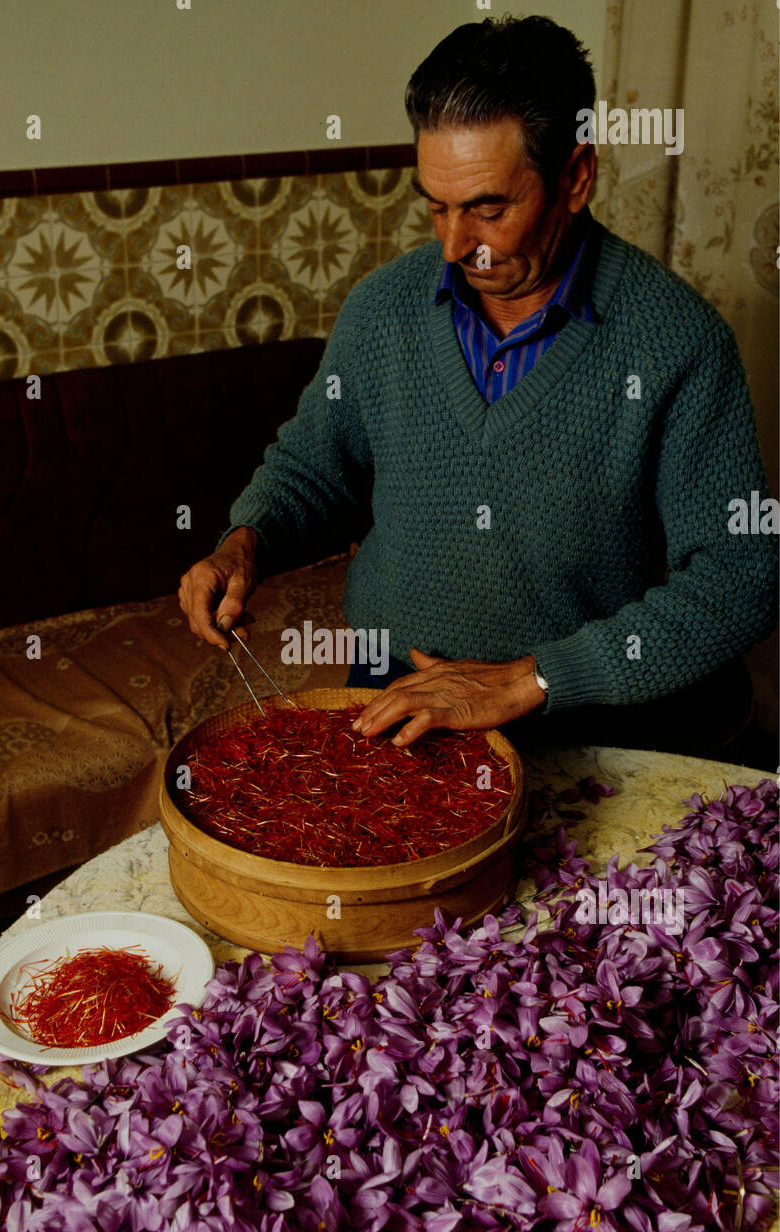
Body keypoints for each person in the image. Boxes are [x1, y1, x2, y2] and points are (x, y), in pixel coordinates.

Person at [179, 15, 777, 757]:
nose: (456, 245)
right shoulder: (382, 311)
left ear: (576, 177)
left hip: (580, 718)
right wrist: (246, 542)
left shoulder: (677, 341)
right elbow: (314, 469)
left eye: (489, 208)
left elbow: (741, 575)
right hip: (392, 694)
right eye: (437, 205)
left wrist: (533, 679)